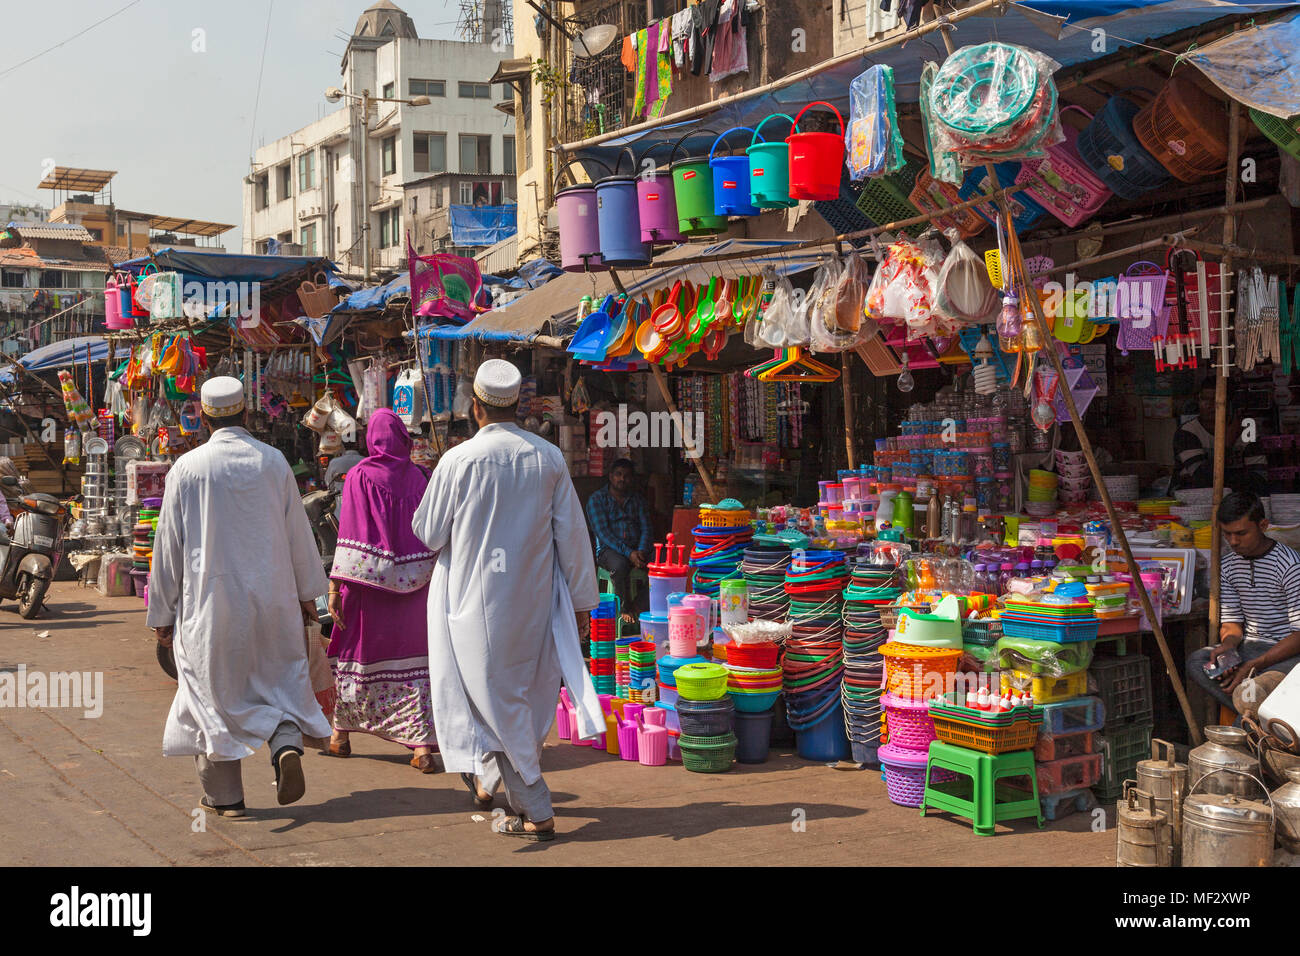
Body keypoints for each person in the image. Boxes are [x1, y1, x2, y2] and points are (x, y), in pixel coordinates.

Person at [412, 359, 602, 842]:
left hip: (473, 605)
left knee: (494, 705)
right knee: (516, 700)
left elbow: (429, 533)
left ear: (475, 408)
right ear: (518, 407)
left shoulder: (458, 461)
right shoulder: (548, 458)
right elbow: (574, 538)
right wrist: (582, 605)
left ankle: (538, 809)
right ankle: (487, 781)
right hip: (535, 603)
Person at [147, 377, 331, 818]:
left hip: (211, 609)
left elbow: (168, 546)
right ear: (245, 414)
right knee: (278, 683)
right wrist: (311, 595)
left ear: (204, 419)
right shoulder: (273, 463)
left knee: (209, 698)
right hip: (274, 603)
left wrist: (162, 612)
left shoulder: (187, 469)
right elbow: (298, 534)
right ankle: (285, 745)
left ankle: (226, 799)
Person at [324, 409, 439, 771]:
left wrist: (335, 585)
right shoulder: (422, 477)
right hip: (418, 586)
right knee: (416, 661)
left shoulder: (358, 476)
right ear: (403, 438)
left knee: (359, 655)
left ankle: (341, 735)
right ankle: (420, 748)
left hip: (367, 589)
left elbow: (350, 531)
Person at [1187, 491, 1300, 712]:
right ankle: (1256, 716)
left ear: (1263, 525)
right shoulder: (1228, 565)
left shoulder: (1290, 566)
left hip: (1287, 653)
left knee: (1256, 689)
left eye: (1241, 533)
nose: (1233, 541)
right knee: (1197, 662)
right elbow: (1232, 623)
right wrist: (1228, 647)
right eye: (1227, 534)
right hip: (1249, 647)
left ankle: (1251, 715)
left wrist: (1257, 664)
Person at [585, 458, 653, 626]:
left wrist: (641, 551)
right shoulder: (597, 500)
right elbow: (604, 534)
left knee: (663, 563)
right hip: (609, 550)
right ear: (610, 476)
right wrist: (628, 553)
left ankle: (638, 605)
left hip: (637, 549)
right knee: (620, 565)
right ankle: (624, 607)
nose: (622, 479)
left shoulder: (637, 500)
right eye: (618, 474)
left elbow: (646, 528)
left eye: (627, 476)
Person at [1171, 381, 1266, 496]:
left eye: (1215, 400)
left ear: (1230, 404)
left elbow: (1260, 479)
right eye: (1204, 399)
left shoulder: (1246, 430)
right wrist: (1227, 443)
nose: (1209, 405)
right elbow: (1202, 478)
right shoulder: (1187, 432)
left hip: (1236, 498)